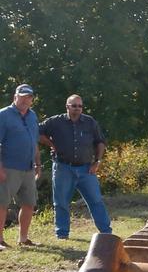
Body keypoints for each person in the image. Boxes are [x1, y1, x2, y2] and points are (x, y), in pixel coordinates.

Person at [39, 95, 112, 240]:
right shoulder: (55, 121)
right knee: (61, 202)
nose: (77, 108)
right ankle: (62, 234)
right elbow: (37, 132)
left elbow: (100, 142)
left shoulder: (90, 122)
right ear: (67, 106)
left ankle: (106, 233)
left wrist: (97, 161)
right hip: (63, 168)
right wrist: (51, 144)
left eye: (80, 106)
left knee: (96, 201)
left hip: (86, 169)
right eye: (74, 106)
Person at [0, 84, 42, 249]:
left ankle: (23, 239)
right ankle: (0, 240)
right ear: (15, 97)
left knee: (29, 203)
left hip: (28, 167)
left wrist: (38, 163)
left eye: (29, 97)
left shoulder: (32, 116)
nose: (25, 100)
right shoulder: (3, 115)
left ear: (32, 99)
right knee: (2, 203)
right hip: (9, 166)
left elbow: (35, 141)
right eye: (22, 96)